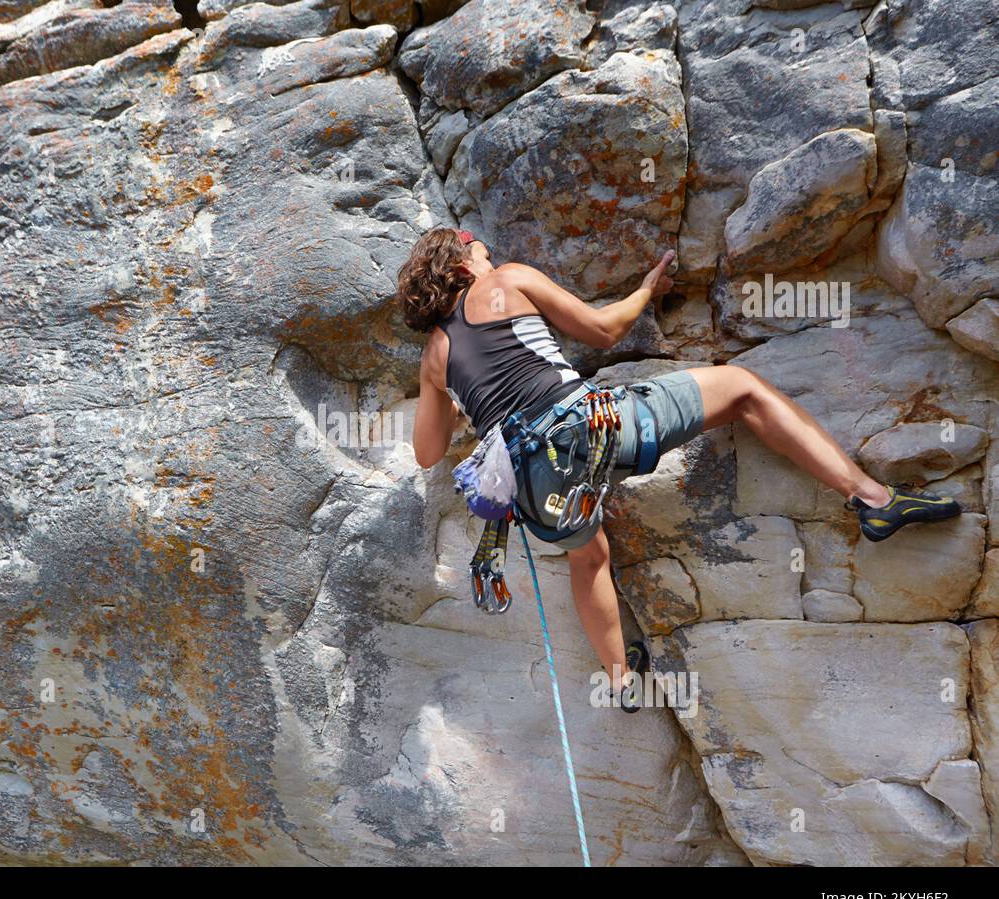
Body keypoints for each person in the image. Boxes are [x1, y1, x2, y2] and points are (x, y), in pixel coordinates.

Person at [397, 227, 961, 703]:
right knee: (742, 388)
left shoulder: (434, 358)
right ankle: (873, 500)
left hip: (531, 484)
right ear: (462, 264)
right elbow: (604, 330)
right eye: (479, 249)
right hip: (591, 428)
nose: (488, 254)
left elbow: (426, 454)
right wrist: (645, 290)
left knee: (588, 557)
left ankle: (620, 678)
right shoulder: (507, 280)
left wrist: (452, 391)